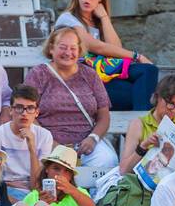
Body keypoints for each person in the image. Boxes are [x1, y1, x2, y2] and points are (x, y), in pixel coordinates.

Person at [55, 0, 158, 111]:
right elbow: (96, 47)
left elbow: (116, 50)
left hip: (104, 76)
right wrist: (137, 56)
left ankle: (138, 128)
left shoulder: (98, 23)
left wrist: (104, 18)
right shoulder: (68, 18)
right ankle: (140, 129)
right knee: (140, 94)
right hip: (83, 82)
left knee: (149, 70)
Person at [24, 25, 117, 174]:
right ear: (51, 49)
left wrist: (93, 138)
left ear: (79, 51)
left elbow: (104, 115)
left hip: (86, 144)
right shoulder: (38, 74)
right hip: (50, 143)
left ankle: (95, 198)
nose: (68, 53)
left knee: (108, 160)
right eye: (62, 47)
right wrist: (48, 141)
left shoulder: (90, 75)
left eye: (73, 48)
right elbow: (27, 113)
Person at [117, 74, 175, 177]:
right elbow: (123, 170)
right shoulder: (138, 124)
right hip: (144, 188)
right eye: (171, 103)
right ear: (158, 97)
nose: (174, 110)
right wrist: (143, 147)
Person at [0, 84, 52, 197]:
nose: (24, 113)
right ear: (11, 110)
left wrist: (32, 147)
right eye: (19, 107)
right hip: (5, 191)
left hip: (34, 191)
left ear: (37, 112)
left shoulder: (44, 136)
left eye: (30, 108)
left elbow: (36, 185)